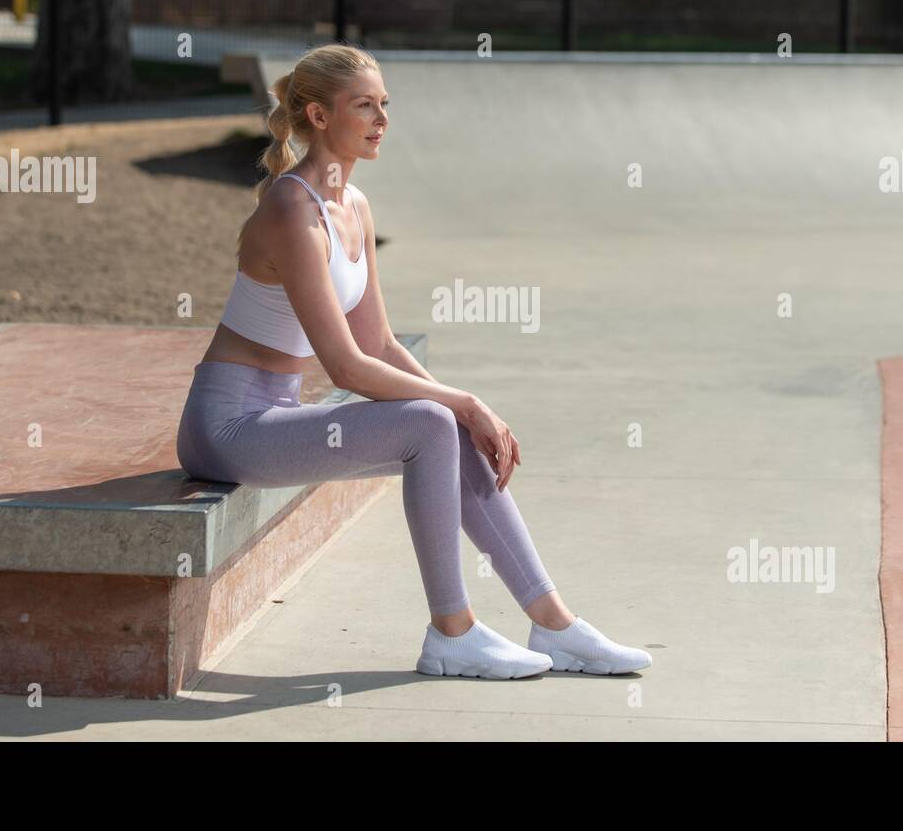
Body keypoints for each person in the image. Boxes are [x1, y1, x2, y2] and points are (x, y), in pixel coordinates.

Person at [176, 43, 650, 679]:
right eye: (364, 106)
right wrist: (463, 403)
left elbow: (379, 343)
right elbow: (345, 368)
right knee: (433, 421)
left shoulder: (356, 206)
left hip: (277, 414)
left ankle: (555, 625)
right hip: (227, 429)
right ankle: (451, 632)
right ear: (318, 116)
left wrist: (463, 411)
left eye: (385, 105)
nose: (382, 119)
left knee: (445, 423)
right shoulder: (292, 209)